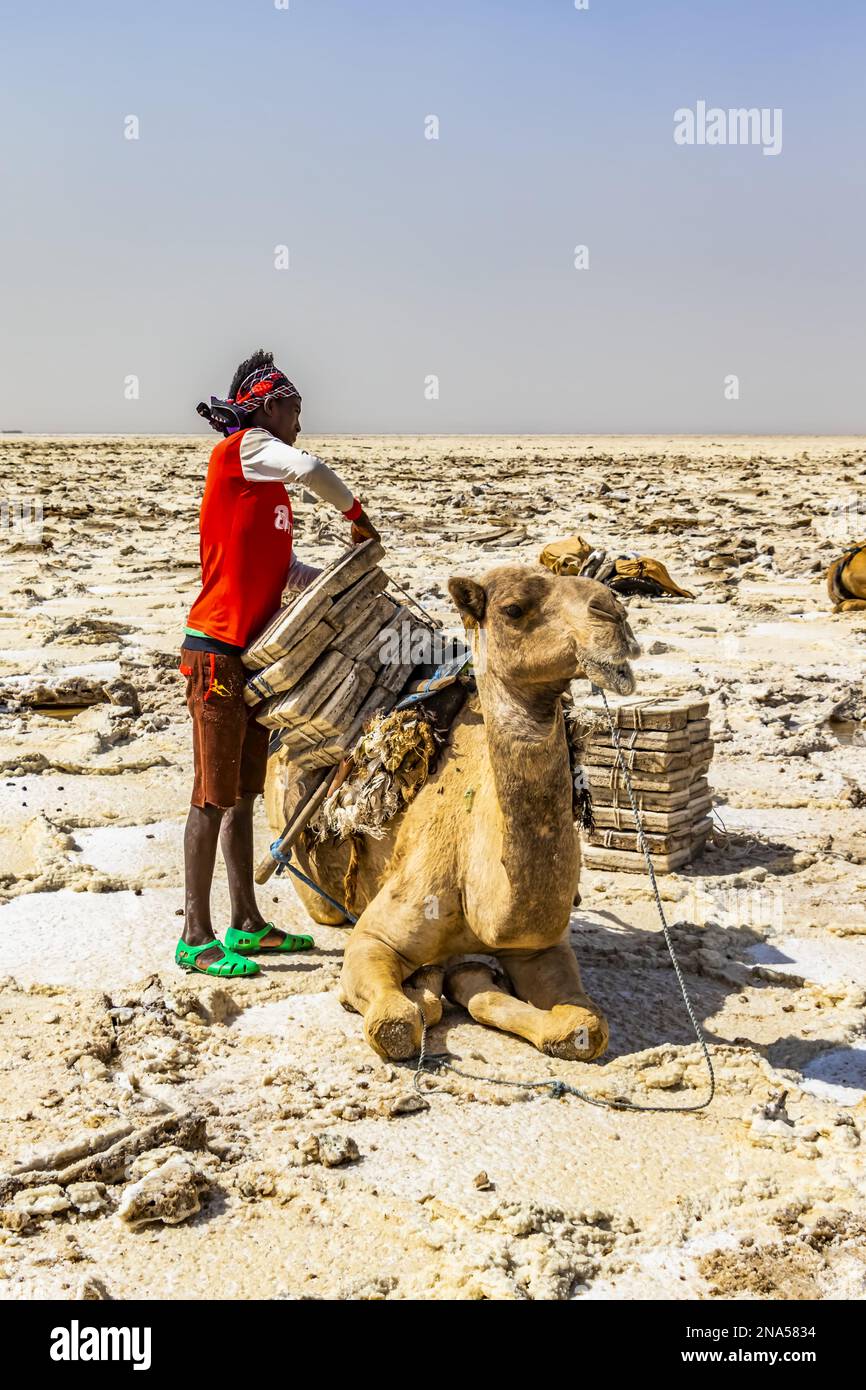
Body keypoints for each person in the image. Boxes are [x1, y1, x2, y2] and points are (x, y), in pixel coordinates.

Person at [176, 349, 380, 978]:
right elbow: (313, 468)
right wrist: (356, 518)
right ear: (267, 407)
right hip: (215, 651)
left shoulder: (266, 491)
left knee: (241, 794)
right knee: (210, 798)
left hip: (252, 659)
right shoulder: (243, 450)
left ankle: (245, 922)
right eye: (294, 409)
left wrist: (342, 584)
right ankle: (194, 933)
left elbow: (283, 570)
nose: (299, 424)